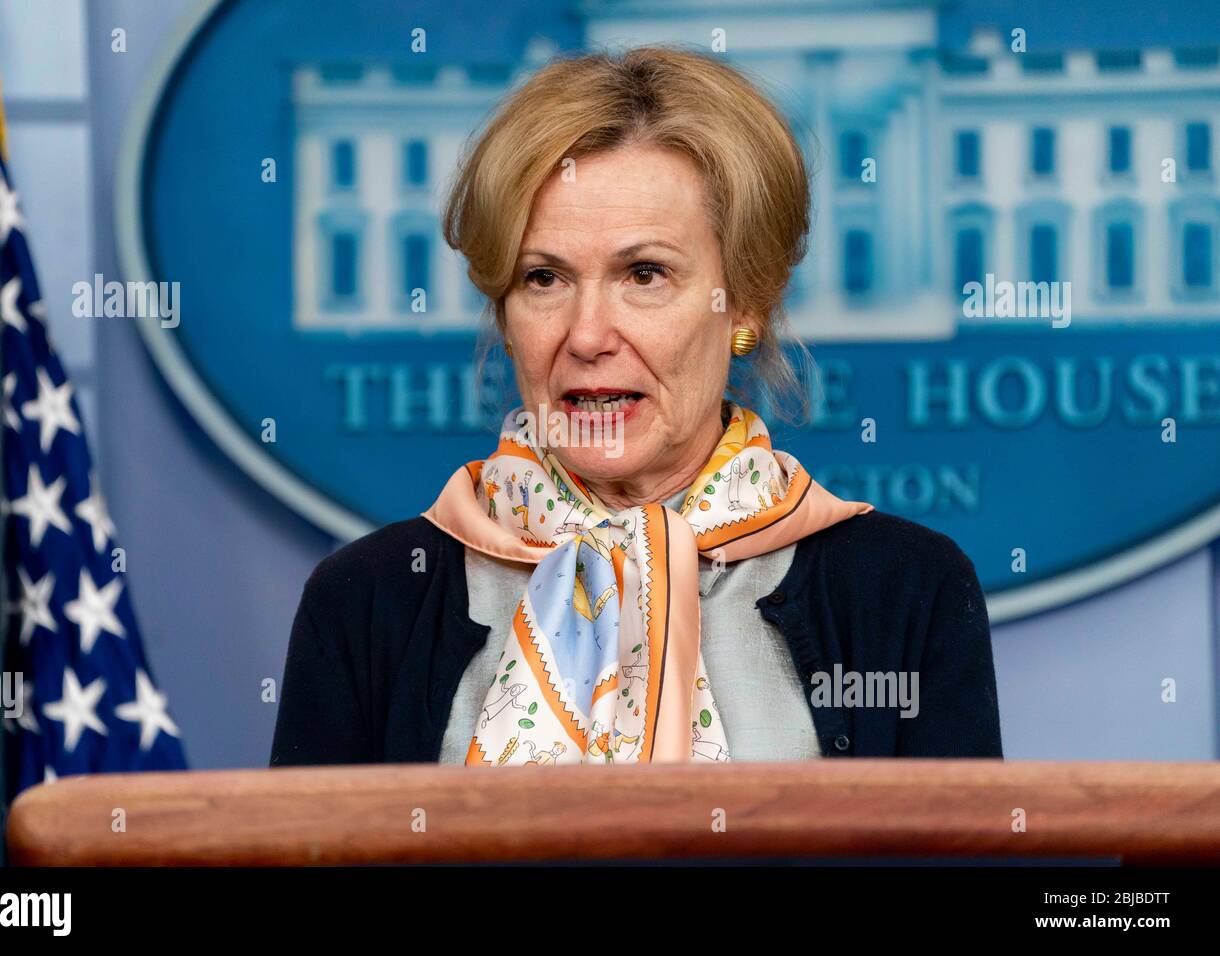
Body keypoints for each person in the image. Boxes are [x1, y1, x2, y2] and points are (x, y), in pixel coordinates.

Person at [270, 45, 1002, 768]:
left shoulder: (907, 592)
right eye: (544, 278)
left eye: (643, 273)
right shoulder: (365, 604)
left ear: (745, 301)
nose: (586, 335)